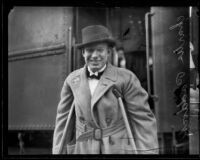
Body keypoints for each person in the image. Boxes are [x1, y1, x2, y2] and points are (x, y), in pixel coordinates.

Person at [52, 25, 158, 154]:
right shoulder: (72, 80)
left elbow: (142, 121)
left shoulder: (126, 78)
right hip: (84, 148)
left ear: (108, 52)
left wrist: (148, 152)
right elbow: (63, 123)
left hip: (117, 147)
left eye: (100, 50)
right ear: (83, 53)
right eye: (90, 50)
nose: (95, 55)